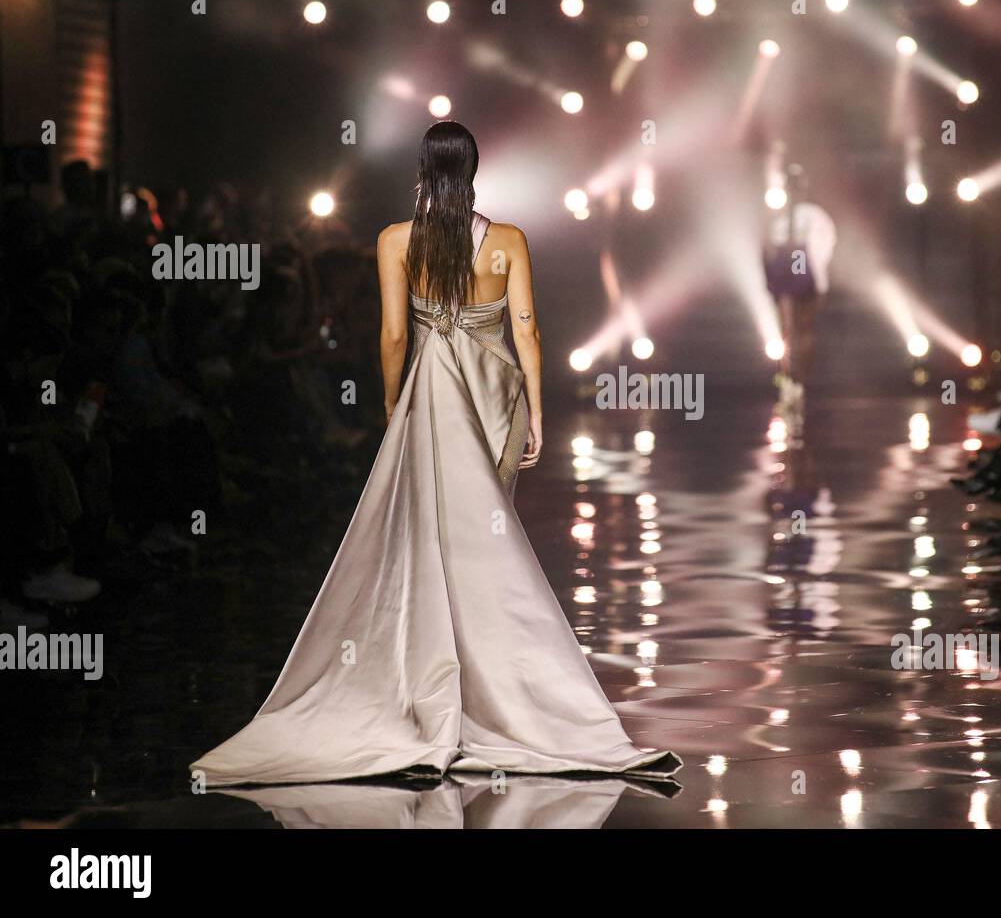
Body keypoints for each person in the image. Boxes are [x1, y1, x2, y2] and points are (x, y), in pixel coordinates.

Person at [190, 122, 681, 786]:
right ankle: (494, 699)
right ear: (475, 171)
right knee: (487, 546)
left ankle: (435, 688)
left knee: (430, 546)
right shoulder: (506, 241)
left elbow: (394, 334)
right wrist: (537, 412)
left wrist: (393, 405)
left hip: (432, 399)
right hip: (494, 398)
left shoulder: (396, 241)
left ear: (421, 170)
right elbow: (527, 331)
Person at [764, 164, 836, 411]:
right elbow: (772, 250)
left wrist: (818, 278)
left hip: (805, 273)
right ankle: (788, 378)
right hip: (787, 274)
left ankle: (799, 378)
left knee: (803, 327)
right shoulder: (781, 218)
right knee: (788, 328)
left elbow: (822, 248)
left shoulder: (815, 216)